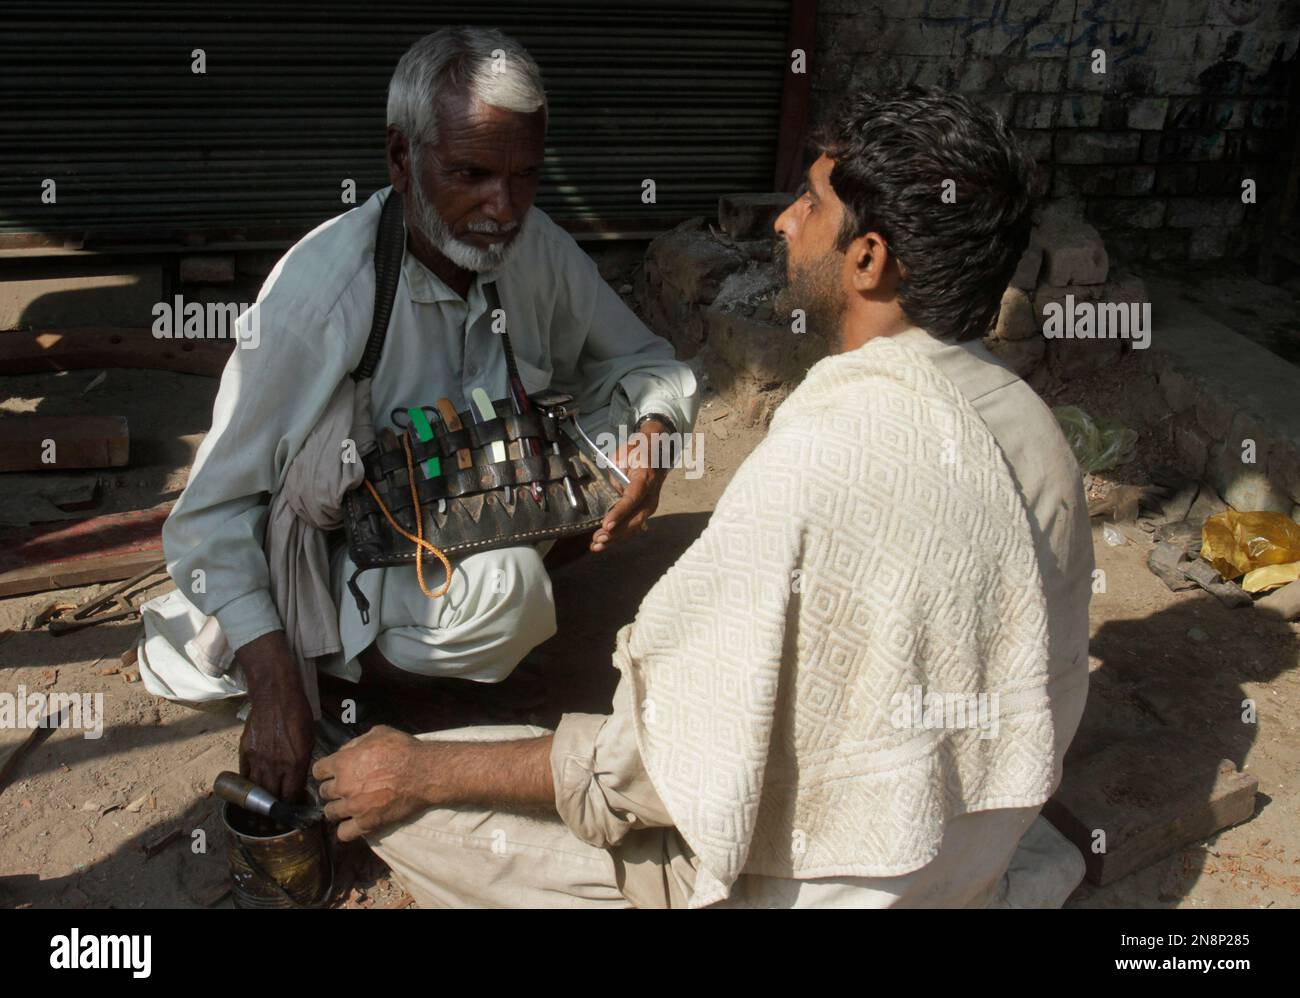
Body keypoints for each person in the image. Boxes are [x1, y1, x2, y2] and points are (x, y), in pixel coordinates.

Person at [311, 87, 1096, 908]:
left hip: (816, 883)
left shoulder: (823, 452)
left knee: (413, 816)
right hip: (974, 847)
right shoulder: (1035, 428)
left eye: (810, 203)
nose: (785, 223)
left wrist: (423, 772)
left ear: (868, 260)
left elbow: (647, 772)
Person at [157, 27, 699, 801]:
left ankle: (455, 640)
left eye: (524, 177)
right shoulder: (322, 296)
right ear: (399, 160)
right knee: (507, 589)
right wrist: (276, 684)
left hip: (464, 508)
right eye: (470, 174)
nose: (502, 207)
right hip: (354, 549)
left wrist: (652, 441)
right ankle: (381, 690)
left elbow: (647, 362)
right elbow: (207, 515)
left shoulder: (530, 246)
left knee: (626, 426)